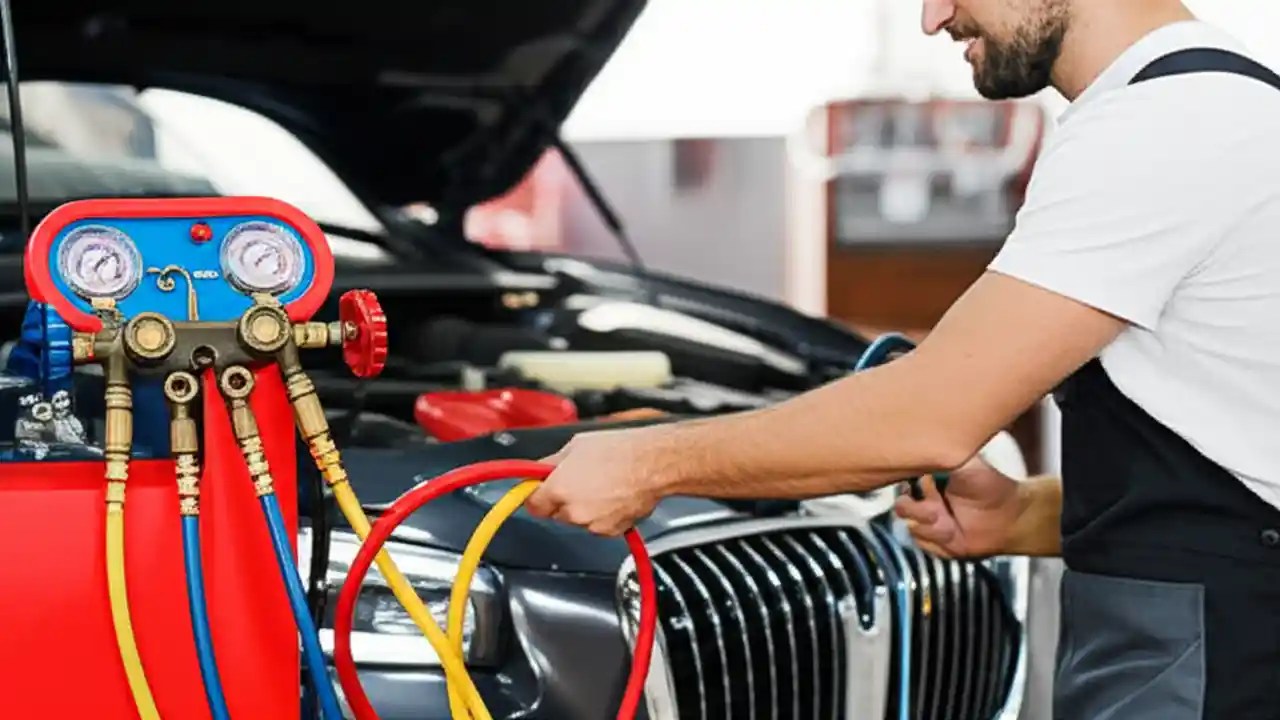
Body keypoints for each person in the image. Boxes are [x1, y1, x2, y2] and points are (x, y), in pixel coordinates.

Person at [524, 1, 1280, 717]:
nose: (931, 18)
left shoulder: (1163, 126)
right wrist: (1022, 516)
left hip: (1220, 659)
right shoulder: (1227, 107)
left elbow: (929, 416)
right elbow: (1238, 445)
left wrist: (647, 463)